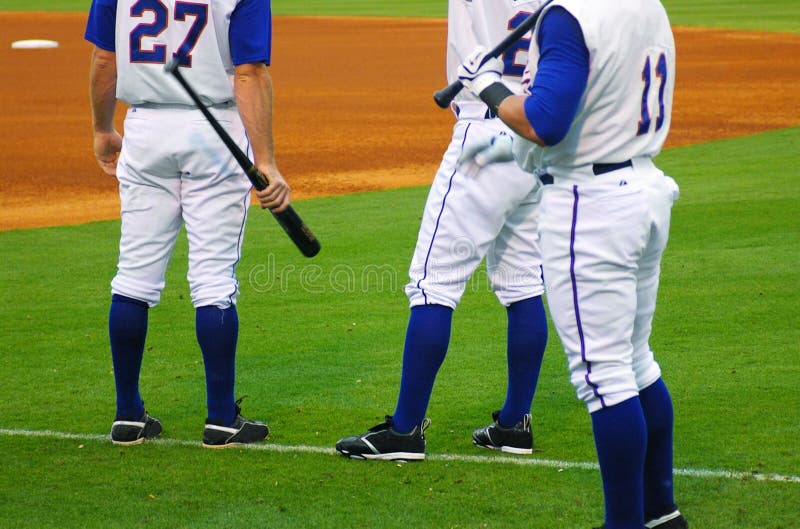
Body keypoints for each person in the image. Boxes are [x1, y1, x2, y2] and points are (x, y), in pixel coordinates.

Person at [455, 0, 687, 527]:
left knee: (604, 375)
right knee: (635, 361)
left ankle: (624, 522)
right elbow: (600, 98)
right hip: (643, 186)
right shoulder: (646, 5)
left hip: (592, 203)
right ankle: (661, 513)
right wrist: (505, 146)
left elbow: (546, 122)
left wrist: (487, 85)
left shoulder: (569, 14)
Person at [335, 0, 549, 462]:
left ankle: (406, 430)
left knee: (433, 284)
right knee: (523, 282)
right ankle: (514, 423)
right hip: (538, 137)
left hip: (484, 132)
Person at [84, 0, 289, 448]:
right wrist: (267, 162)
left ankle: (127, 415)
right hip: (215, 131)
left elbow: (105, 58)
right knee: (213, 278)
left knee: (134, 277)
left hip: (145, 130)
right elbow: (249, 72)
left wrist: (103, 127)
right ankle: (220, 419)